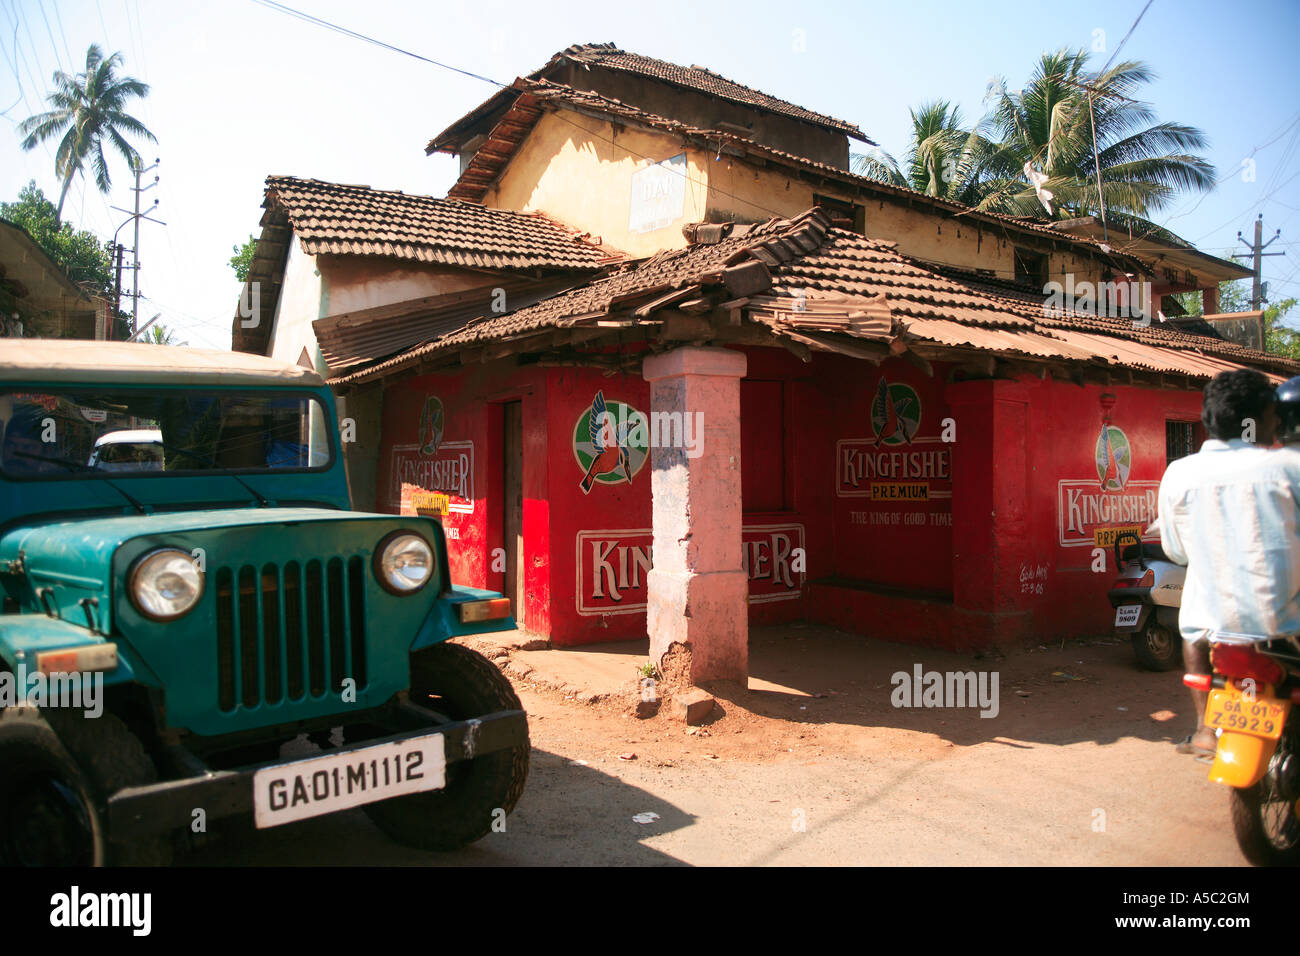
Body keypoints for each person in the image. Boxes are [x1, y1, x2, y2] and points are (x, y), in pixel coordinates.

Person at [1157, 369, 1300, 759]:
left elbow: (1176, 552)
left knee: (1194, 621)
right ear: (1262, 418)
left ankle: (1205, 728)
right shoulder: (1288, 468)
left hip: (1210, 626)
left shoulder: (1178, 474)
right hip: (1284, 629)